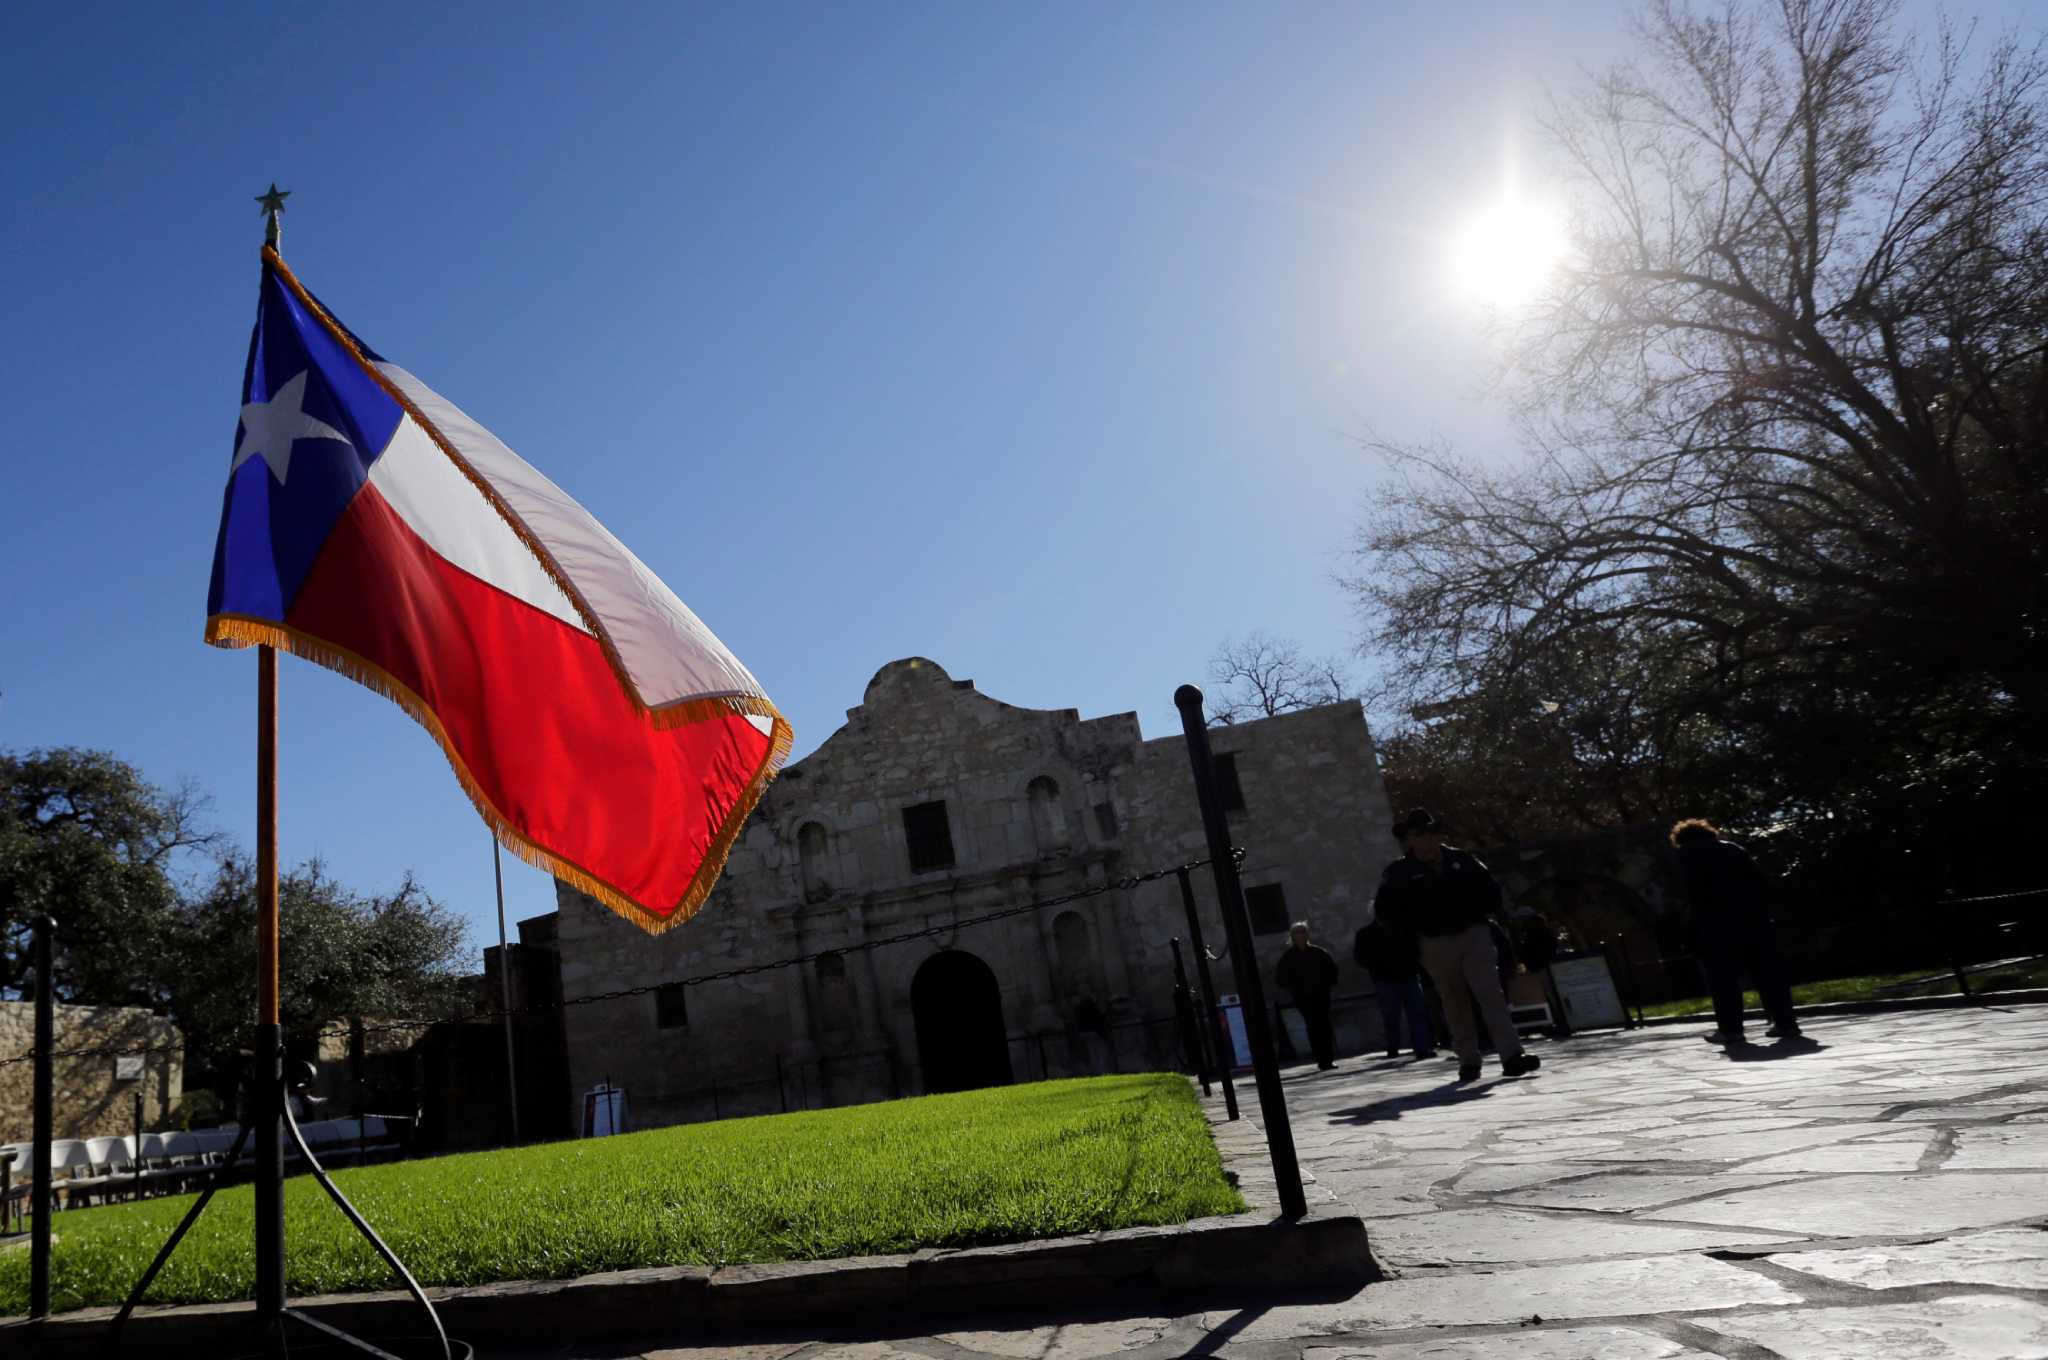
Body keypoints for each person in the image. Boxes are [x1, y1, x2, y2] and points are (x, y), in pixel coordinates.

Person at [1373, 808, 1541, 1083]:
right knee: (1454, 1001)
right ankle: (1468, 1059)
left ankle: (1512, 1056)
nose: (1427, 839)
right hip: (1433, 943)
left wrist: (1479, 913)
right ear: (1409, 840)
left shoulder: (1462, 860)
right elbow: (1385, 912)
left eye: (1431, 832)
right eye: (1419, 834)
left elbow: (1491, 890)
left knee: (1490, 993)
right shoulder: (1398, 873)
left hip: (1473, 934)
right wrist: (1410, 937)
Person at [1672, 818, 1802, 1046]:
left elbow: (1689, 894)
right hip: (1754, 920)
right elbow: (1760, 881)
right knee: (1768, 975)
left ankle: (1731, 1030)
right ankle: (1786, 1023)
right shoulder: (1733, 849)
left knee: (1723, 981)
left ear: (1681, 839)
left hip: (1715, 926)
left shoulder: (1686, 856)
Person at [1353, 915, 1437, 1059]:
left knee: (1416, 1014)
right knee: (1391, 1016)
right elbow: (1360, 957)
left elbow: (1417, 948)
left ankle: (1421, 1048)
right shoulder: (1366, 934)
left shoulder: (1403, 928)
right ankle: (1394, 1047)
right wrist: (1377, 967)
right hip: (1386, 979)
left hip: (1407, 976)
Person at [1275, 921, 1341, 1070]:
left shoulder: (1318, 953)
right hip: (1303, 997)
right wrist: (1294, 986)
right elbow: (1281, 978)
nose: (1300, 935)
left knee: (1324, 1025)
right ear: (1292, 936)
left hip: (1321, 994)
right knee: (1312, 1025)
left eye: (1303, 932)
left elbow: (1332, 970)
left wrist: (1327, 984)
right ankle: (1320, 1058)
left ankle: (1328, 1058)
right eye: (1297, 933)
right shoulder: (1289, 957)